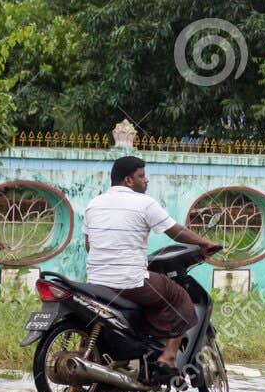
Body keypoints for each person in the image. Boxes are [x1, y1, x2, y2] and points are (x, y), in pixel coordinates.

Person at [82, 155, 221, 375]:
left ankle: (78, 384)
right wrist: (205, 243)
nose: (146, 180)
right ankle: (168, 357)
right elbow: (175, 232)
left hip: (95, 282)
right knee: (179, 296)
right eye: (142, 176)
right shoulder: (144, 203)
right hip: (130, 281)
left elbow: (89, 245)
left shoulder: (94, 204)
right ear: (128, 180)